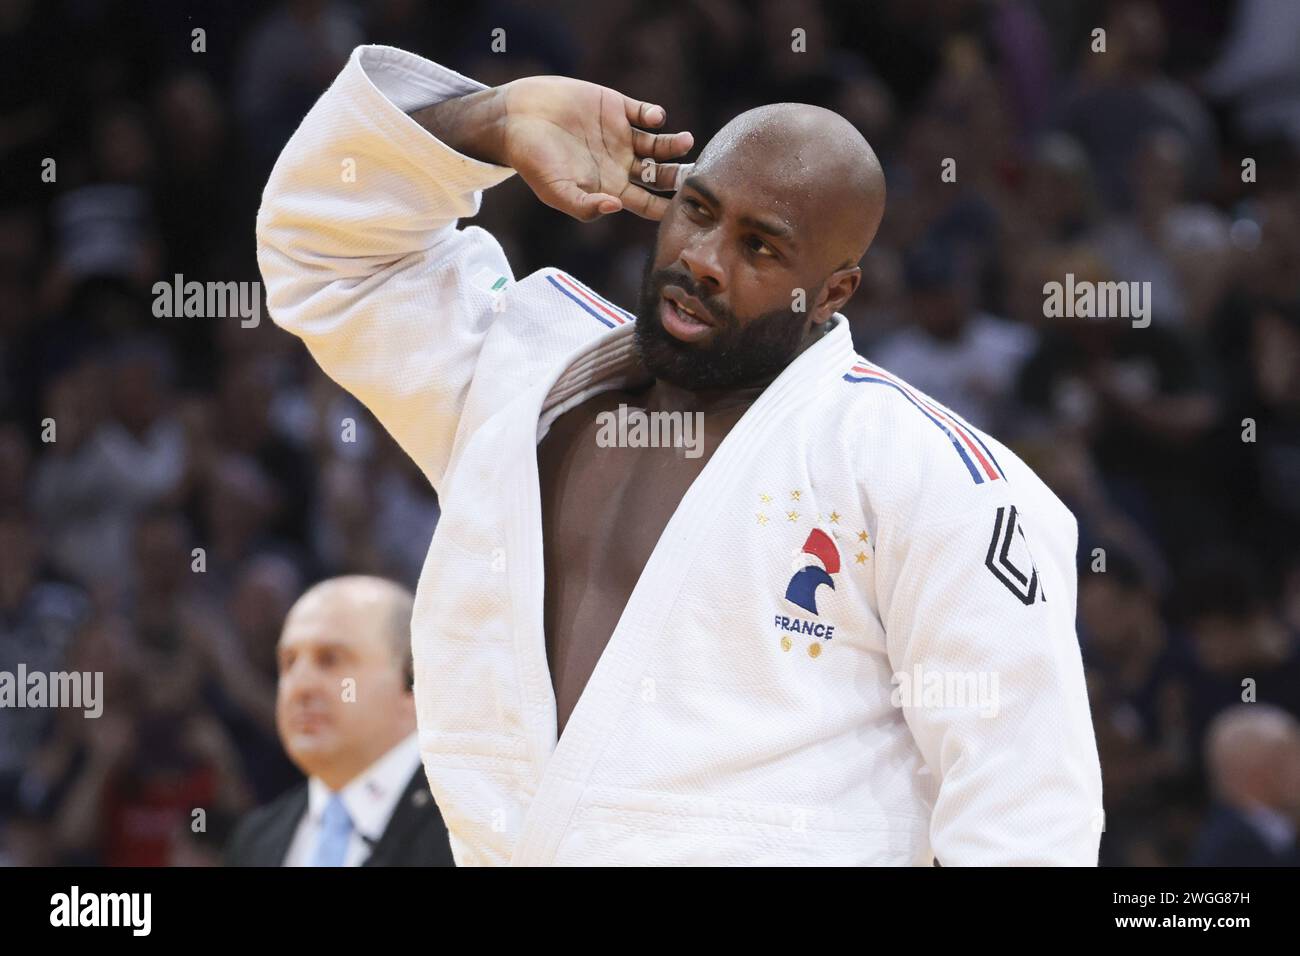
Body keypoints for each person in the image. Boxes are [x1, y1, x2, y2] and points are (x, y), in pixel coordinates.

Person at [256, 45, 1102, 865]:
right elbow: (325, 256)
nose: (704, 260)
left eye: (760, 247)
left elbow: (1025, 808)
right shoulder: (522, 374)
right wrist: (493, 120)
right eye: (698, 211)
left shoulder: (927, 474)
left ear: (835, 290)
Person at [224, 576, 454, 866]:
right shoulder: (256, 838)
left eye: (331, 659)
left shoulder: (471, 829)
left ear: (410, 680)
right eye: (288, 662)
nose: (300, 686)